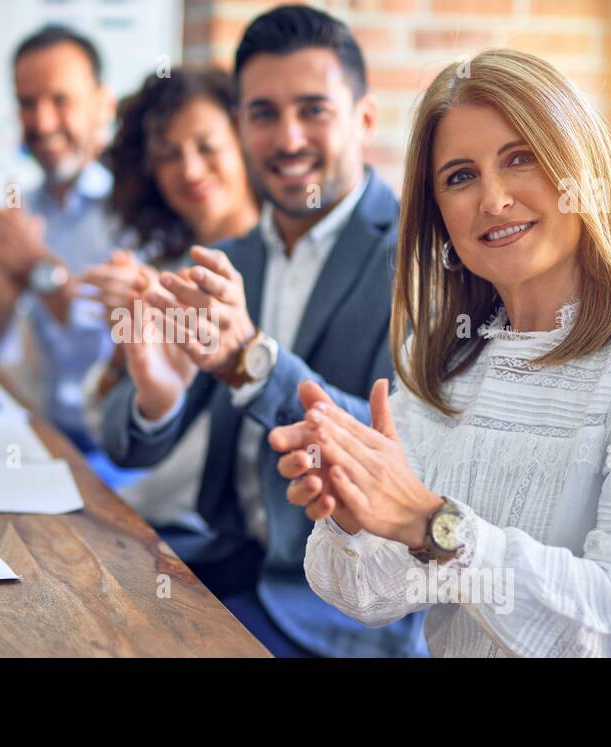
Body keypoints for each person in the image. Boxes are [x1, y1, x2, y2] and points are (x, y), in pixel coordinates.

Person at [270, 48, 611, 657]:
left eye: (520, 158)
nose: (494, 199)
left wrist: (434, 526)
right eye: (460, 176)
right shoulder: (449, 359)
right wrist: (355, 511)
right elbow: (372, 598)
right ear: (438, 215)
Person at [99, 5, 426, 658]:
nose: (287, 138)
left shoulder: (420, 260)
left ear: (364, 119)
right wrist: (156, 399)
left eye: (313, 110)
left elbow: (409, 452)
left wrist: (254, 360)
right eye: (263, 114)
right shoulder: (237, 255)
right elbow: (126, 444)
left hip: (331, 609)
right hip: (226, 565)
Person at [79, 66, 259, 530]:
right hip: (148, 510)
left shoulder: (281, 261)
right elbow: (108, 430)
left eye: (206, 146)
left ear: (244, 141)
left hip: (216, 530)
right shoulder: (164, 271)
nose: (190, 170)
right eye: (168, 155)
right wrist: (128, 343)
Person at [0, 24, 117, 451]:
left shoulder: (133, 209)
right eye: (27, 103)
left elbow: (113, 342)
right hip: (39, 437)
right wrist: (5, 298)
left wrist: (39, 267)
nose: (42, 121)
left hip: (114, 454)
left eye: (60, 100)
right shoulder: (25, 210)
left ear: (102, 105)